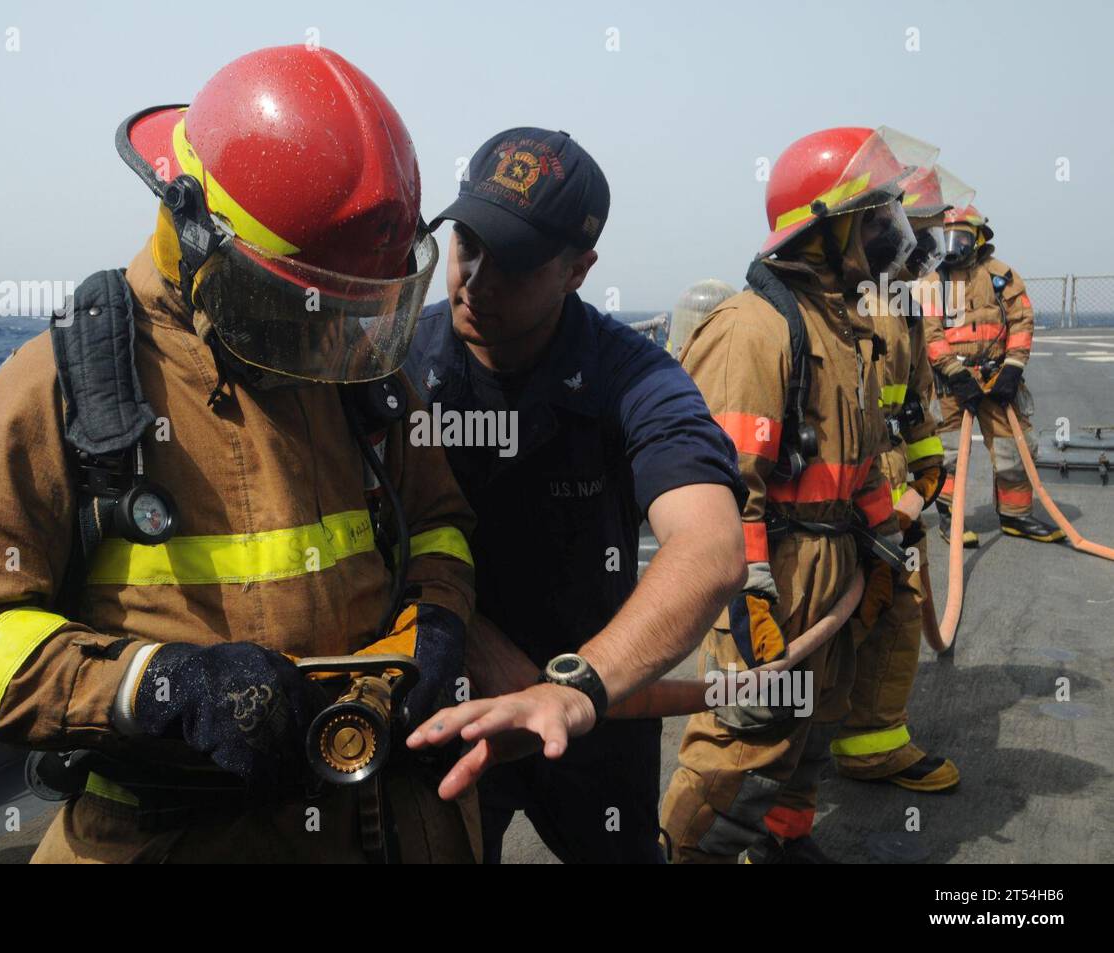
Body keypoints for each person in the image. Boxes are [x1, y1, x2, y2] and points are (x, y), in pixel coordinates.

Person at [0, 45, 480, 864]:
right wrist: (155, 686)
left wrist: (436, 620)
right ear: (193, 230)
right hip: (170, 836)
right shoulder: (62, 388)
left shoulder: (356, 375)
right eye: (288, 300)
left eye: (346, 309)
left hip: (379, 822)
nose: (319, 336)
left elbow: (437, 521)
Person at [401, 127, 747, 863]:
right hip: (445, 704)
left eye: (516, 262)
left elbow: (712, 546)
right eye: (468, 244)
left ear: (578, 269)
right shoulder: (394, 365)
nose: (474, 280)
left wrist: (575, 687)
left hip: (596, 704)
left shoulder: (634, 377)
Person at [657, 127, 920, 863]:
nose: (883, 236)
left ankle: (783, 847)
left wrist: (884, 541)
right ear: (826, 229)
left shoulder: (846, 332)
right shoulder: (753, 329)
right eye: (869, 220)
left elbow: (860, 466)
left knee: (808, 738)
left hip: (833, 566)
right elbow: (718, 489)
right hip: (772, 578)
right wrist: (752, 596)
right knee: (739, 750)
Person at [829, 163, 965, 793]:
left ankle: (870, 742)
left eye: (915, 224)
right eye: (894, 221)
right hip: (841, 491)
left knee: (897, 611)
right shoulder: (838, 299)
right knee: (826, 621)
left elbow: (911, 398)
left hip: (890, 490)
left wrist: (927, 470)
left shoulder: (901, 296)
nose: (912, 237)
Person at [926, 205, 1062, 544]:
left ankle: (1016, 517)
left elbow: (1021, 321)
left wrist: (1013, 369)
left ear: (978, 238)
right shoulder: (933, 282)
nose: (953, 245)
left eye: (961, 237)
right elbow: (929, 334)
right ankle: (951, 519)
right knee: (949, 453)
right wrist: (956, 375)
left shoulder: (1001, 275)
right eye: (948, 237)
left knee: (1012, 448)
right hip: (952, 384)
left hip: (997, 378)